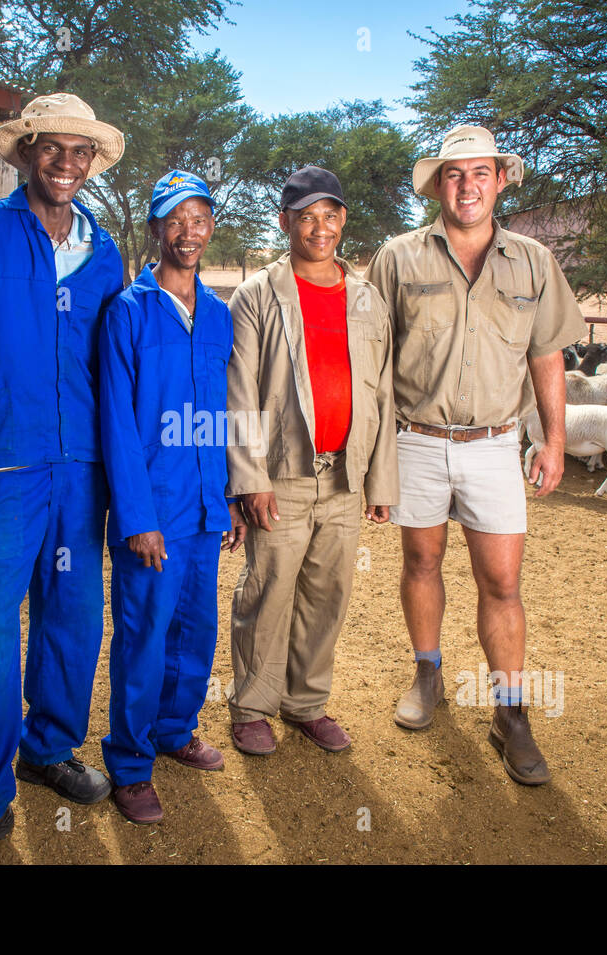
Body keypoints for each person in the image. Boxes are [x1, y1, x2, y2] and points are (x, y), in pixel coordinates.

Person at [0, 93, 126, 863]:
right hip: (5, 467)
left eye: (81, 152)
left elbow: (114, 363)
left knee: (73, 617)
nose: (66, 164)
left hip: (84, 469)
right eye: (52, 149)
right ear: (22, 153)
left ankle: (49, 748)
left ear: (92, 162)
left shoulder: (105, 251)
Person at [366, 125, 586, 785]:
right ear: (439, 183)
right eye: (454, 174)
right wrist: (376, 458)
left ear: (500, 179)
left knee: (502, 582)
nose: (467, 186)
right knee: (421, 560)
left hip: (494, 444)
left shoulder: (533, 262)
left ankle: (510, 713)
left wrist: (553, 438)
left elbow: (547, 354)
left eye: (480, 173)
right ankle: (427, 673)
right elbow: (372, 361)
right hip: (416, 438)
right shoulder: (397, 258)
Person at [224, 166, 399, 756]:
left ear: (343, 220)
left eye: (329, 215)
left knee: (329, 592)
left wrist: (381, 479)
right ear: (286, 223)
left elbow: (383, 392)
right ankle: (251, 705)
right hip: (282, 475)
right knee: (269, 589)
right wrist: (249, 480)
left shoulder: (368, 297)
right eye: (306, 217)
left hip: (346, 473)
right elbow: (240, 393)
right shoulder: (256, 297)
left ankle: (306, 703)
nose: (319, 228)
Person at [97, 170, 245, 824]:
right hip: (152, 514)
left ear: (211, 226)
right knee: (142, 635)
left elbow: (221, 413)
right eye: (175, 219)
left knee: (196, 628)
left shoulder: (218, 316)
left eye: (200, 218)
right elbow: (118, 426)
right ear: (156, 228)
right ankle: (129, 763)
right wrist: (137, 516)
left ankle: (174, 729)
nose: (189, 231)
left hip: (205, 509)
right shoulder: (127, 312)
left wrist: (229, 497)